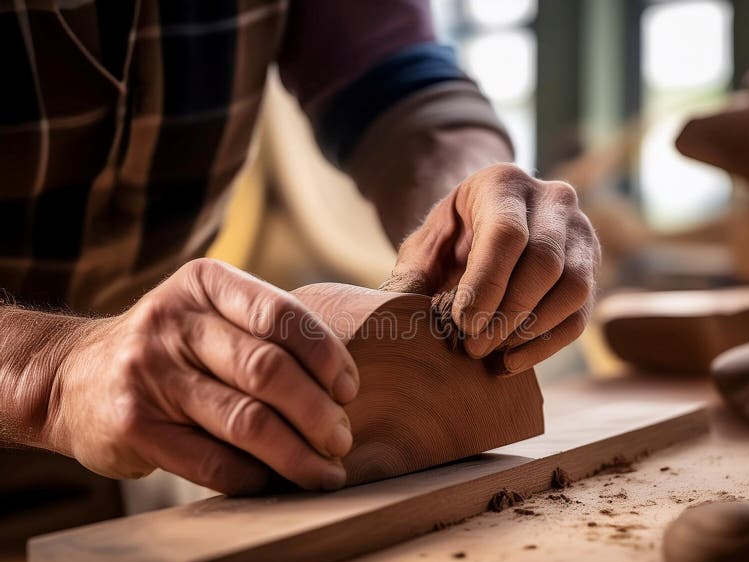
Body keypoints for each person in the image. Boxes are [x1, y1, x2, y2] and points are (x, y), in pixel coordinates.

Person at [0, 1, 599, 496]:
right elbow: (61, 381)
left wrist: (475, 201)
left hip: (124, 456)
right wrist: (50, 376)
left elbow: (398, 84)